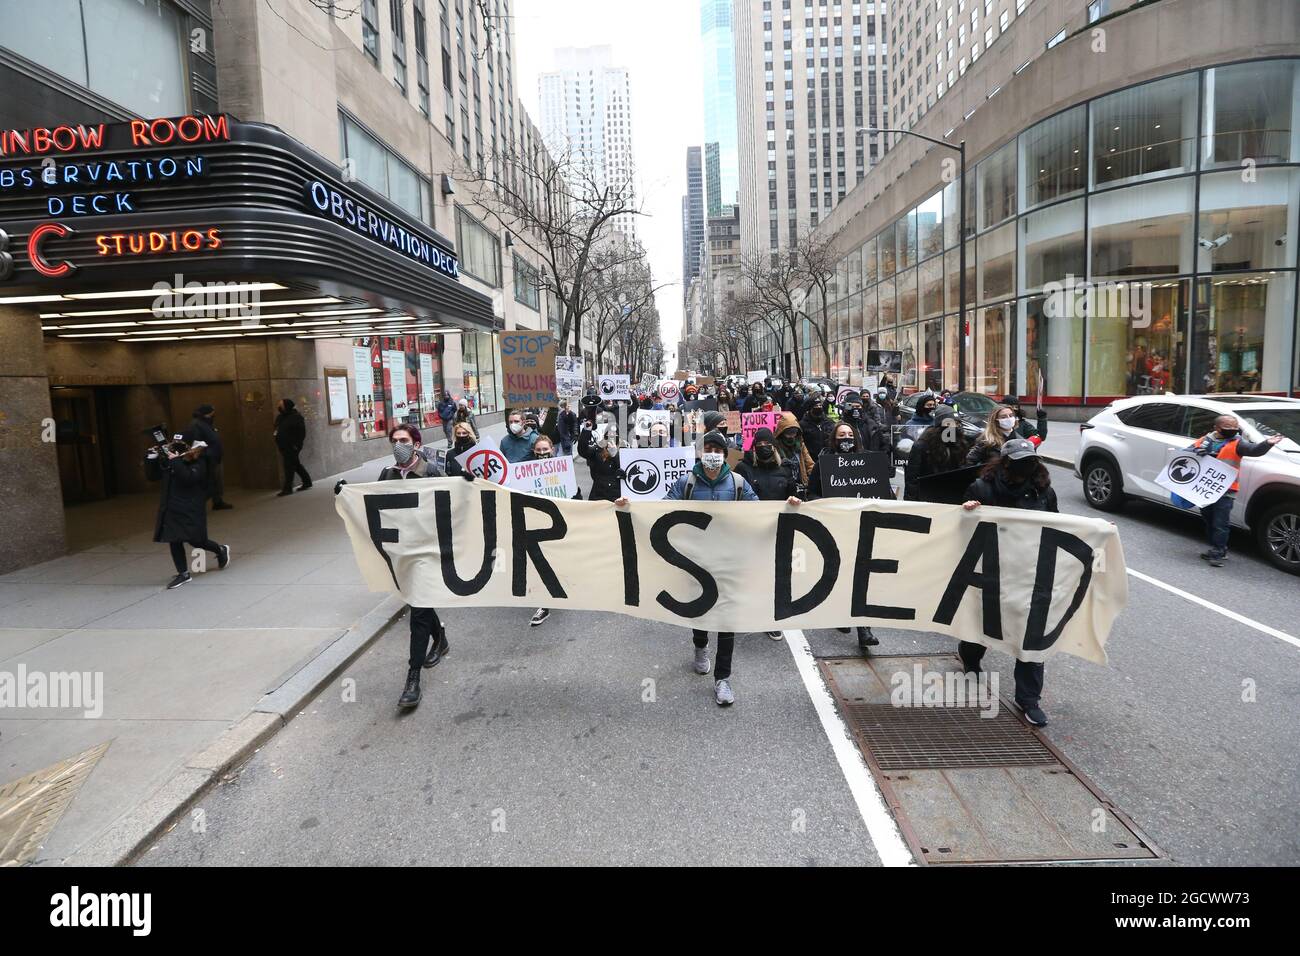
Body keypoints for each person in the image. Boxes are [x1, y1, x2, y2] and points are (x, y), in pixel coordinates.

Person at [616, 430, 763, 707]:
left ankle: (723, 679)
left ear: (725, 454)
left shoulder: (739, 483)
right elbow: (660, 511)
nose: (712, 455)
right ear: (699, 452)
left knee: (726, 618)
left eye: (717, 450)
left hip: (727, 562)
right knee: (699, 610)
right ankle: (700, 647)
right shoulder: (686, 483)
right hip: (694, 562)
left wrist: (791, 508)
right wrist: (629, 506)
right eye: (707, 449)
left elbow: (759, 512)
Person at [336, 424, 463, 709]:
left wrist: (464, 484)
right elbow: (372, 506)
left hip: (427, 553)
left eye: (403, 440)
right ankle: (440, 639)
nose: (398, 446)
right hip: (401, 554)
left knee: (417, 611)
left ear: (416, 443)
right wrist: (346, 494)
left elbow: (452, 507)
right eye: (394, 441)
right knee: (419, 601)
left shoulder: (431, 472)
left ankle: (413, 677)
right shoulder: (387, 475)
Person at [958, 439, 1058, 726]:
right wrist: (968, 510)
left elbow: (1058, 525)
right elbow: (960, 531)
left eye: (1030, 460)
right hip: (991, 569)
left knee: (1031, 634)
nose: (1026, 466)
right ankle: (971, 655)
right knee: (985, 624)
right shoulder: (982, 489)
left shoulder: (1043, 491)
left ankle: (1029, 699)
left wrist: (1096, 532)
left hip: (1031, 572)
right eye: (1019, 461)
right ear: (1004, 462)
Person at [803, 423, 880, 652]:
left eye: (849, 435)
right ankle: (841, 614)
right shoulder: (824, 463)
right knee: (839, 572)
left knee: (860, 573)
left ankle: (863, 628)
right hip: (836, 526)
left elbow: (879, 488)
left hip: (862, 526)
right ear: (834, 440)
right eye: (841, 435)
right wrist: (828, 504)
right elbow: (812, 492)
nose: (846, 438)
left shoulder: (867, 461)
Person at [1191, 414, 1284, 566]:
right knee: (1209, 519)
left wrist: (1267, 443)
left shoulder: (1238, 443)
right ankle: (1218, 548)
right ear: (1216, 428)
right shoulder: (1205, 440)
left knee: (1220, 523)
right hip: (1205, 490)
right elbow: (1187, 454)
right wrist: (1197, 452)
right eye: (1228, 428)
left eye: (1235, 428)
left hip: (1226, 491)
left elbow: (1254, 450)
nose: (1232, 431)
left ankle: (1218, 552)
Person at [146, 437, 231, 589]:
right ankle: (183, 573)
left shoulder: (199, 462)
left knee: (197, 540)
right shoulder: (172, 461)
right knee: (174, 539)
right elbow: (153, 477)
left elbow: (188, 478)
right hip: (171, 507)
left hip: (191, 508)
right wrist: (152, 457)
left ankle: (220, 549)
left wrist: (175, 461)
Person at [524, 435, 581, 628]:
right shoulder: (525, 473)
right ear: (534, 451)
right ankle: (544, 605)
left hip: (559, 525)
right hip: (536, 526)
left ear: (552, 450)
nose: (542, 453)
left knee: (557, 562)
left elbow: (577, 496)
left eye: (545, 450)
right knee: (540, 564)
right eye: (538, 450)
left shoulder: (563, 470)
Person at [904, 407, 973, 503]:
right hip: (927, 498)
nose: (955, 427)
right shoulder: (922, 446)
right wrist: (910, 503)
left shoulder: (959, 443)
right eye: (950, 423)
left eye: (957, 423)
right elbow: (912, 478)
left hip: (951, 497)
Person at [183, 403, 232, 510]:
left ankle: (217, 501)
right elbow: (196, 444)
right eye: (212, 413)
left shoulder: (207, 423)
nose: (214, 415)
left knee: (217, 481)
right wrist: (206, 454)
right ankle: (196, 505)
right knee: (208, 483)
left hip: (214, 457)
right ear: (207, 413)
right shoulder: (196, 425)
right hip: (206, 458)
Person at [578, 416, 623, 501]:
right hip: (598, 494)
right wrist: (586, 431)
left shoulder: (624, 450)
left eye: (614, 436)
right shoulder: (598, 450)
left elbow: (627, 470)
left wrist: (615, 455)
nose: (611, 439)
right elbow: (583, 451)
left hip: (617, 496)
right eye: (608, 436)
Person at [273, 398, 311, 496]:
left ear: (287, 406)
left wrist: (296, 445)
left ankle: (287, 488)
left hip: (292, 446)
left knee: (288, 466)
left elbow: (301, 433)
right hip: (283, 446)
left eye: (281, 405)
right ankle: (307, 481)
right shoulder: (280, 417)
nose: (279, 407)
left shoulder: (296, 417)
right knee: (295, 464)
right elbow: (276, 428)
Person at [775, 412, 815, 490]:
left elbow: (810, 464)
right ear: (781, 432)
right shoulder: (775, 447)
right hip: (783, 486)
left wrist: (814, 478)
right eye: (788, 433)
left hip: (801, 485)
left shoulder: (800, 445)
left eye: (794, 432)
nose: (792, 436)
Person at [799, 396, 834, 461]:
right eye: (815, 406)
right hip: (811, 459)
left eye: (820, 405)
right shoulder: (802, 425)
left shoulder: (829, 422)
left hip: (828, 459)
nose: (818, 407)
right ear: (810, 409)